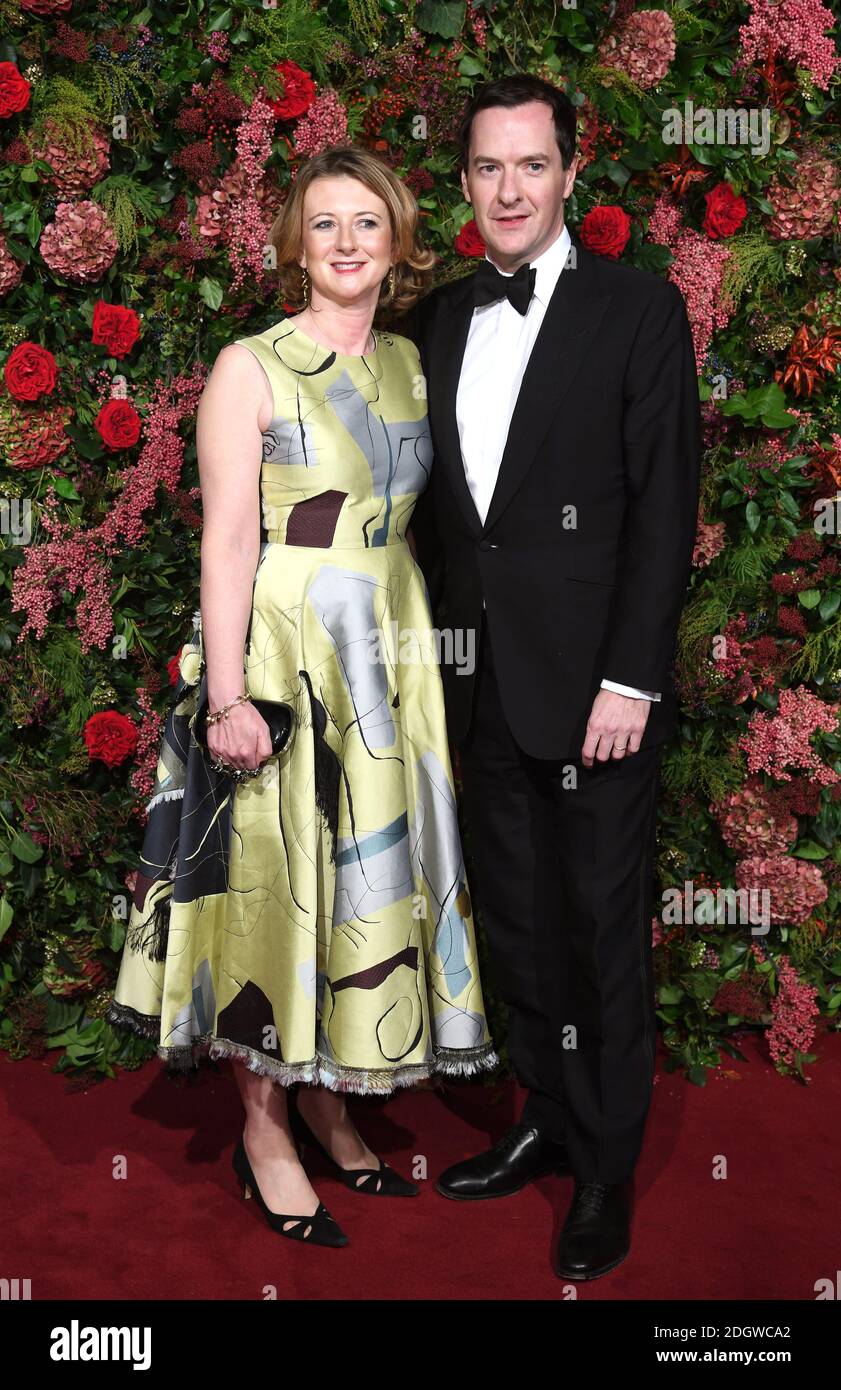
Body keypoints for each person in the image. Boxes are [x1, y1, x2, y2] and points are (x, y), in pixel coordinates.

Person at [107, 145, 498, 1249]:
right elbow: (229, 537)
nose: (345, 243)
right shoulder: (251, 365)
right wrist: (227, 696)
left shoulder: (412, 368)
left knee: (364, 877)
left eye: (366, 223)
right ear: (294, 242)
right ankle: (264, 1129)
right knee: (277, 875)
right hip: (286, 647)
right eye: (323, 224)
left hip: (390, 641)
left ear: (399, 239)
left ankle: (327, 1094)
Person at [408, 75, 702, 1280]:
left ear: (571, 173)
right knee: (518, 920)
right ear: (465, 182)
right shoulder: (432, 318)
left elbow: (663, 505)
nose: (510, 189)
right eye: (489, 168)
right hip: (475, 684)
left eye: (532, 165)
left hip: (595, 697)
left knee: (597, 932)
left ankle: (606, 1164)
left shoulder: (637, 311)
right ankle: (542, 1111)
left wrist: (630, 681)